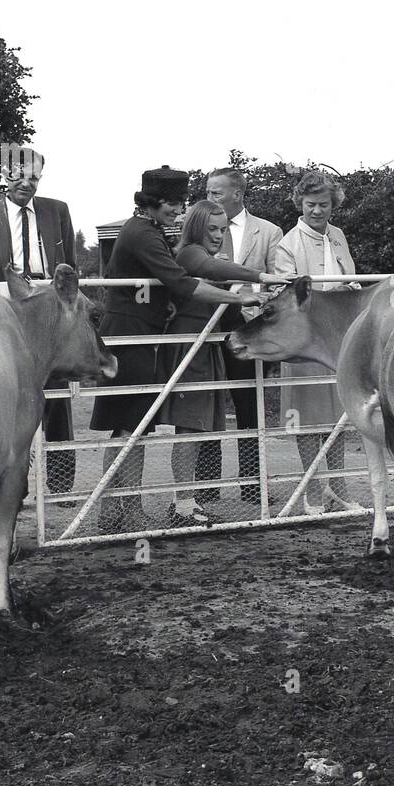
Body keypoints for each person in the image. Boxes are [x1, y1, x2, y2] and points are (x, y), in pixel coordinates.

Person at [89, 166, 283, 534]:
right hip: (132, 336)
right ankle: (122, 509)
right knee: (130, 426)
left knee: (134, 426)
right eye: (171, 205)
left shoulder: (150, 231)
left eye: (179, 205)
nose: (175, 212)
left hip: (144, 335)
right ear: (152, 203)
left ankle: (118, 510)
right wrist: (244, 292)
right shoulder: (143, 234)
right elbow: (182, 283)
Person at [0, 148, 77, 492]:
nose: (25, 183)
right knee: (6, 397)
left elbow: (70, 264)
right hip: (5, 316)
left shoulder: (57, 211)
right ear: (2, 176)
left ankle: (60, 483)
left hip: (48, 313)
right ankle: (9, 482)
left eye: (33, 177)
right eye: (17, 175)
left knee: (56, 394)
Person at [159, 199, 269, 526]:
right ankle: (182, 504)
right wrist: (261, 276)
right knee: (190, 424)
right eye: (212, 229)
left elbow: (225, 297)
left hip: (207, 346)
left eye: (222, 229)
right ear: (196, 228)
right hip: (189, 345)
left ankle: (187, 500)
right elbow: (209, 270)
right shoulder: (190, 252)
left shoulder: (210, 257)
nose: (219, 235)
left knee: (200, 424)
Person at [274, 169, 361, 514]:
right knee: (307, 418)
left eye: (323, 204)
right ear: (300, 203)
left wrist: (348, 291)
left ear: (332, 205)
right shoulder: (287, 243)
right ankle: (310, 492)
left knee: (339, 414)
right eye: (311, 204)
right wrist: (330, 294)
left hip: (339, 337)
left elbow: (351, 277)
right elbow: (289, 295)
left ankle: (337, 489)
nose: (317, 211)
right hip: (305, 340)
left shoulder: (339, 236)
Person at [202, 167, 282, 506]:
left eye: (217, 192)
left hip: (248, 327)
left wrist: (257, 305)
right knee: (207, 403)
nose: (210, 198)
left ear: (238, 193)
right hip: (207, 326)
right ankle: (205, 486)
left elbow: (277, 280)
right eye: (208, 191)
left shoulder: (268, 231)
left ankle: (253, 485)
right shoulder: (199, 227)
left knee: (251, 406)